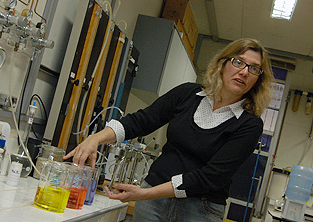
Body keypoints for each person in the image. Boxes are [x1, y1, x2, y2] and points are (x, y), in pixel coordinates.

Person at [63, 38, 273, 221]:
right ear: (222, 64)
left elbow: (211, 177)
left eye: (254, 68)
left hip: (200, 211)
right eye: (238, 62)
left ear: (257, 80)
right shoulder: (187, 94)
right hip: (152, 204)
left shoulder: (249, 125)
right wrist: (95, 139)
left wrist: (146, 193)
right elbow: (141, 121)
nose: (244, 72)